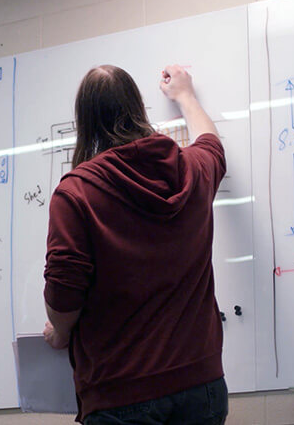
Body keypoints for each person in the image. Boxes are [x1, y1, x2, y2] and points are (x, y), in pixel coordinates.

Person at [43, 64, 228, 424]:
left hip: (120, 393)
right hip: (202, 385)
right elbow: (212, 144)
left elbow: (64, 294)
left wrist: (60, 332)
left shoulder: (76, 193)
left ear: (85, 121)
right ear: (138, 108)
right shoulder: (191, 170)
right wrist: (186, 96)